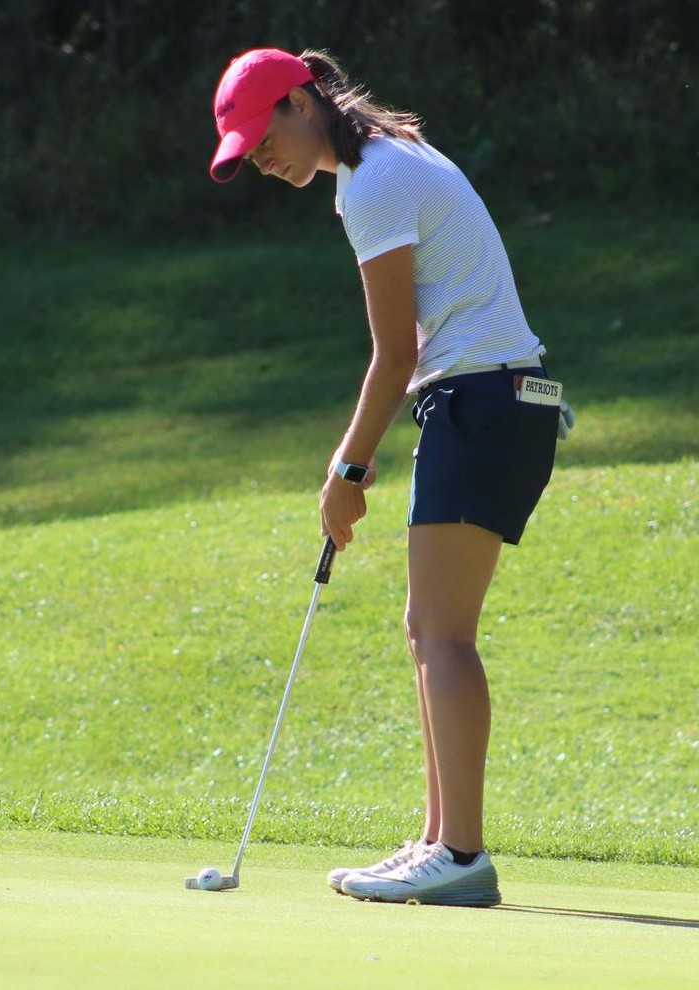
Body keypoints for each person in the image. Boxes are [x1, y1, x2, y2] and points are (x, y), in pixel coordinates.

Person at [209, 47, 561, 907]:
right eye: (246, 151)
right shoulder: (384, 161)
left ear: (302, 101)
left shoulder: (372, 183)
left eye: (263, 137)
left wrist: (347, 469)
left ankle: (462, 854)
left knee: (442, 636)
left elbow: (393, 351)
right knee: (426, 628)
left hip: (485, 402)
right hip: (492, 401)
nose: (261, 159)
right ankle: (442, 841)